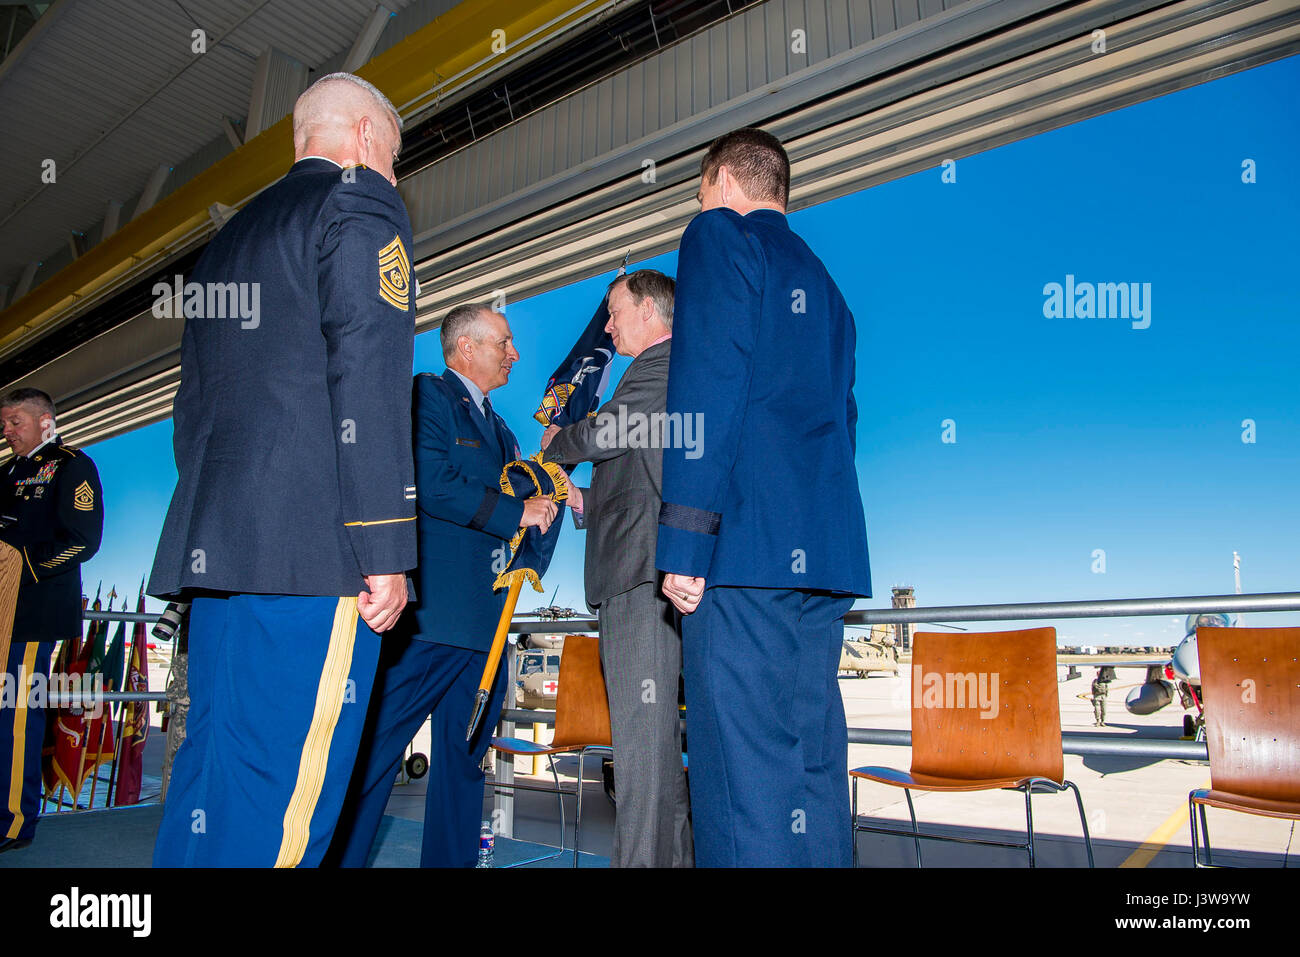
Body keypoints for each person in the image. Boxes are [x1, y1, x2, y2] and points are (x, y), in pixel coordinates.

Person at [148, 72, 417, 867]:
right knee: (283, 800)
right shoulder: (361, 203)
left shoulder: (227, 242)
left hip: (223, 554)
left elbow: (193, 405)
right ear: (365, 139)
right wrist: (384, 548)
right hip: (314, 554)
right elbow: (368, 377)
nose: (394, 175)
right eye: (394, 156)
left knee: (209, 777)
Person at [656, 128, 871, 867]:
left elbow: (706, 388)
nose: (699, 206)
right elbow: (843, 424)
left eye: (699, 192)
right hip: (822, 560)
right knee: (811, 769)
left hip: (743, 554)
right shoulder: (829, 292)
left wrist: (686, 537)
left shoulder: (719, 236)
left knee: (743, 786)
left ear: (721, 182)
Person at [328, 303, 557, 868]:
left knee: (464, 765)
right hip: (428, 620)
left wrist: (545, 480)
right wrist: (516, 512)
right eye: (503, 342)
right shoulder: (426, 396)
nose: (514, 353)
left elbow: (512, 496)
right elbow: (430, 482)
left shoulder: (503, 431)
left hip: (486, 628)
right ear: (466, 348)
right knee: (376, 754)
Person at [541, 269, 694, 868]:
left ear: (649, 311)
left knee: (639, 748)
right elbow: (636, 471)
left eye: (615, 312)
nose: (607, 327)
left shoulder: (662, 363)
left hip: (639, 574)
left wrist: (557, 442)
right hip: (636, 567)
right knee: (651, 747)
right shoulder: (655, 371)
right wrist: (581, 500)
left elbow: (609, 431)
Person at [0, 388, 103, 853]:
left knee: (15, 717)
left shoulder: (71, 465)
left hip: (31, 615)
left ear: (45, 421)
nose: (7, 431)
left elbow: (82, 539)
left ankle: (13, 821)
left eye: (15, 421)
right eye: (4, 423)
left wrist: (21, 567)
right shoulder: (6, 473)